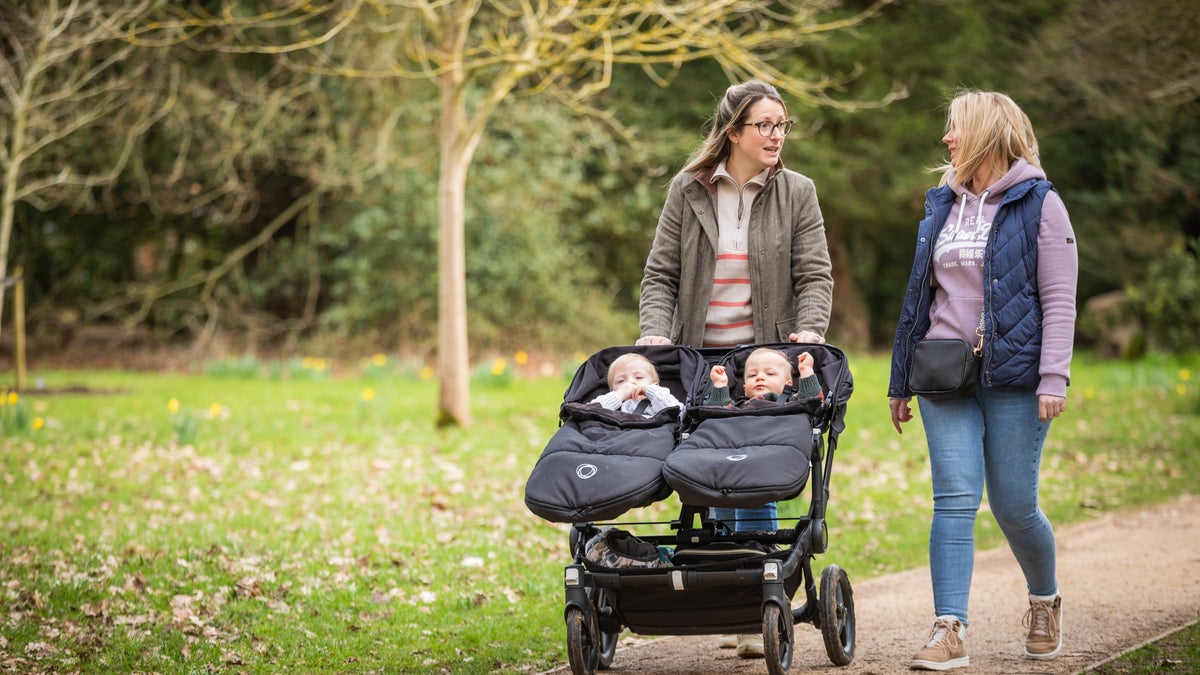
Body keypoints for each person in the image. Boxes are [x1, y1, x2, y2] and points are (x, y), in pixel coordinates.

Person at [635, 78, 835, 659]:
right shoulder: (689, 189)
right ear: (733, 132)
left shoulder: (798, 191)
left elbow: (815, 275)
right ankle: (726, 592)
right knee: (708, 469)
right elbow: (660, 274)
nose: (776, 135)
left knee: (754, 471)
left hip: (766, 355)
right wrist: (655, 329)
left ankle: (753, 606)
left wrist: (811, 328)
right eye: (765, 125)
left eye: (782, 125)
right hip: (700, 355)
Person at [887, 90, 1078, 670]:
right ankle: (949, 628)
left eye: (956, 128)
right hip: (945, 372)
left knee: (1015, 506)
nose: (947, 139)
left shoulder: (1039, 202)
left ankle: (1044, 601)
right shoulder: (941, 203)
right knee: (954, 499)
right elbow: (919, 295)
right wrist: (901, 379)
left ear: (989, 134)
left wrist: (1054, 377)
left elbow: (1060, 297)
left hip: (1017, 376)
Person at [706, 348, 822, 407]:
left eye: (770, 373)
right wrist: (720, 384)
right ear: (745, 389)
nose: (759, 377)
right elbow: (719, 412)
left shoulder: (792, 402)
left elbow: (813, 402)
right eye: (752, 375)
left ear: (788, 384)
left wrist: (806, 370)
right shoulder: (740, 406)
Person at [588, 353, 682, 417]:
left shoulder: (657, 404)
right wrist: (619, 395)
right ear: (612, 391)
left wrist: (650, 391)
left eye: (639, 378)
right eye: (621, 381)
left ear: (655, 386)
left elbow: (678, 412)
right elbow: (588, 412)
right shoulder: (612, 406)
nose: (630, 382)